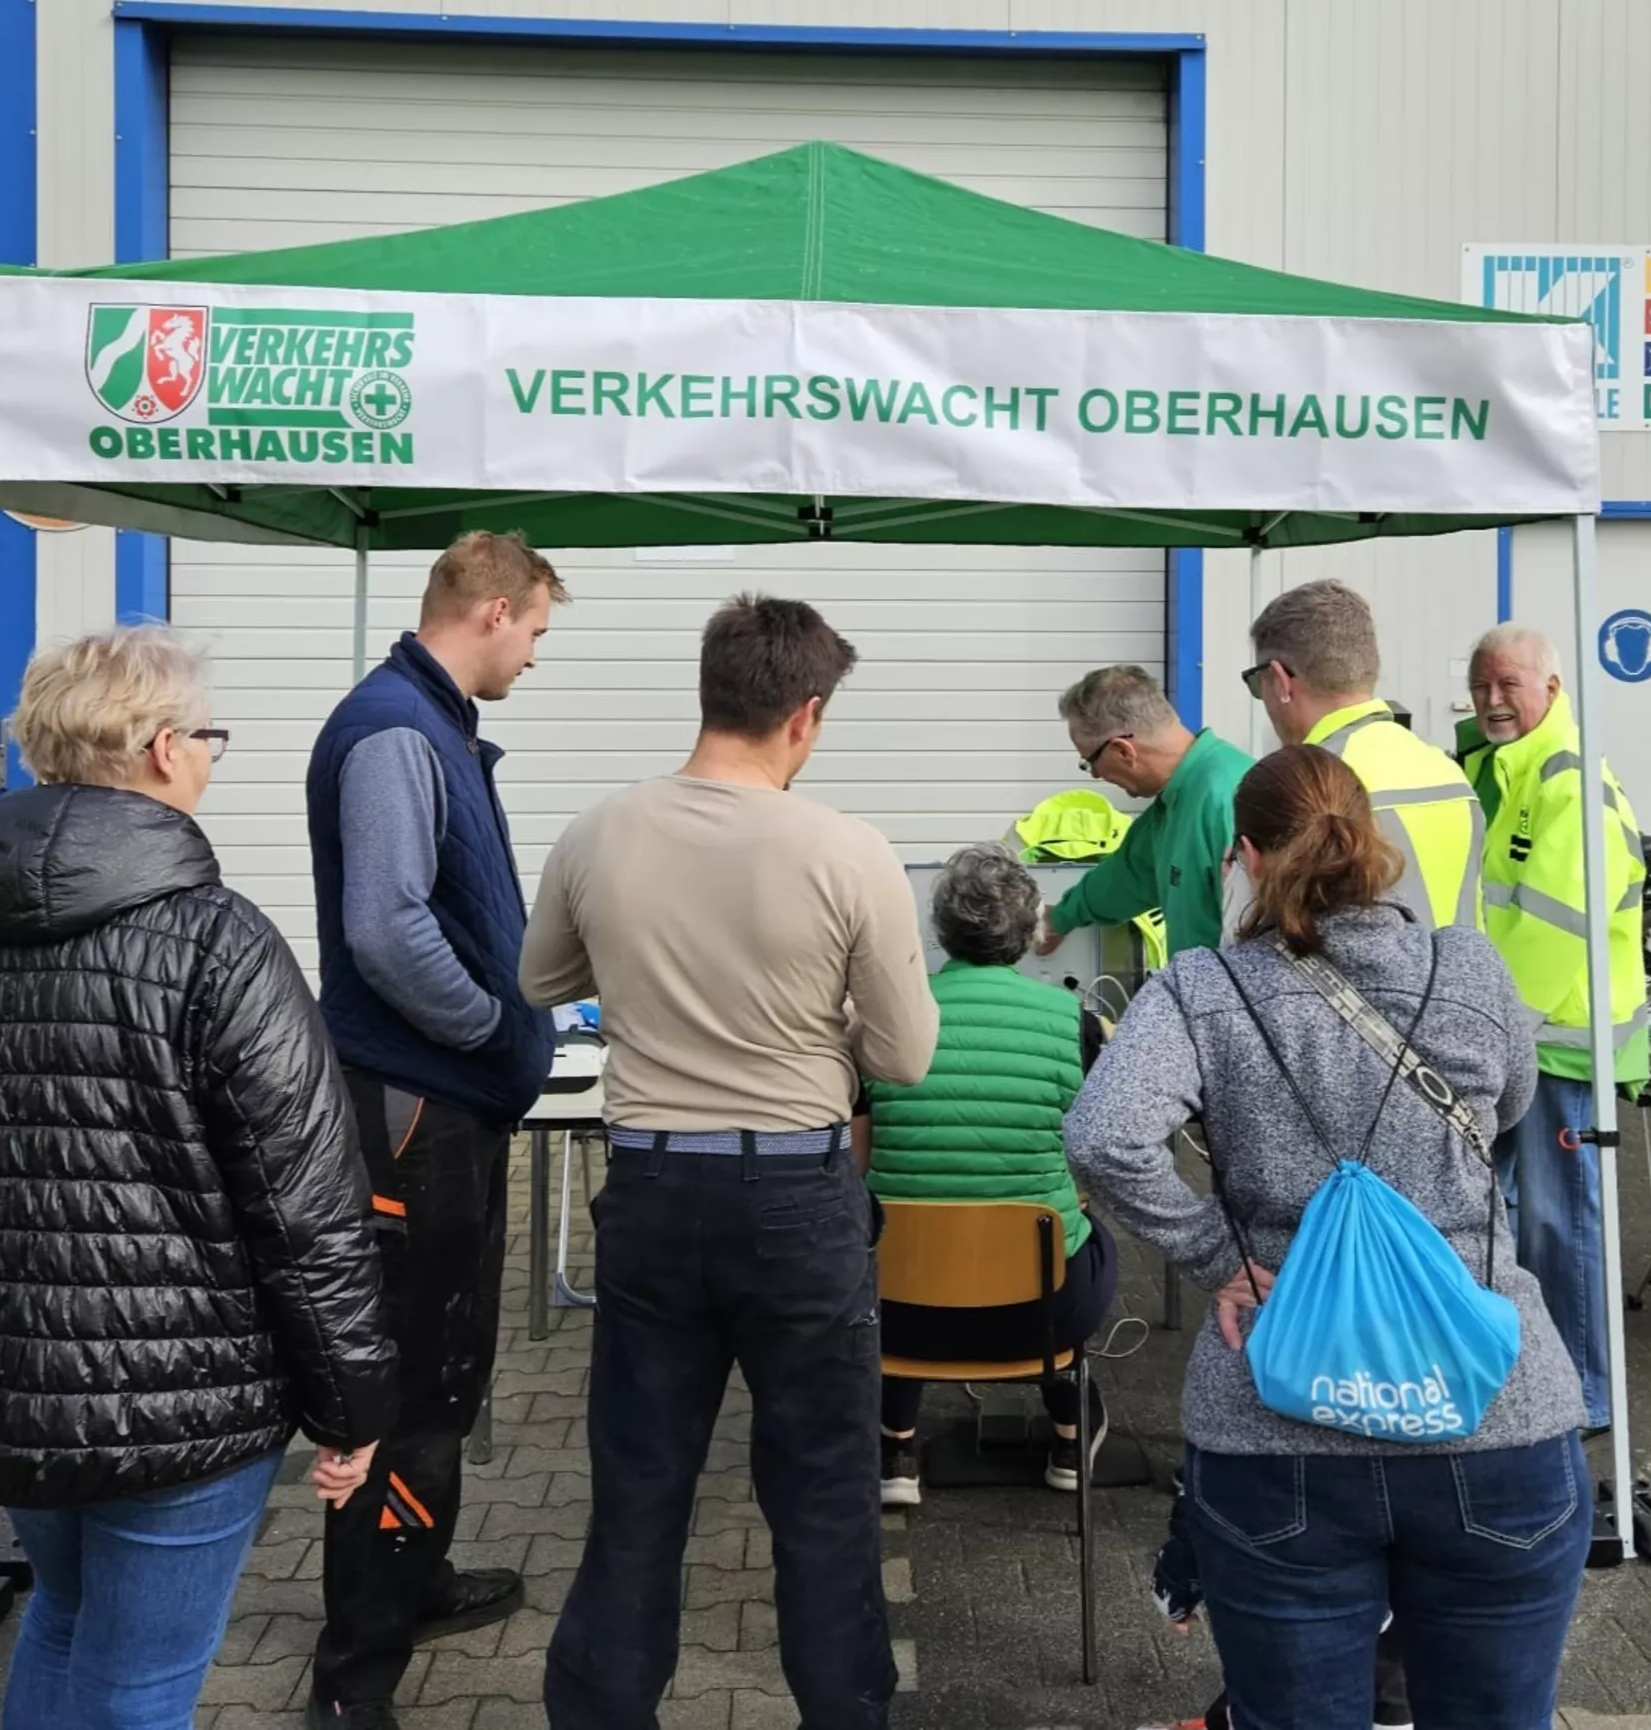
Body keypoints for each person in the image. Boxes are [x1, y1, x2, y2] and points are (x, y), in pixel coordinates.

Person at [0, 626, 396, 1730]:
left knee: (65, 1624)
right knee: (142, 1683)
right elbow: (306, 1211)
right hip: (181, 1396)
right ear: (163, 749)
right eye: (208, 736)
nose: (212, 755)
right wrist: (351, 1405)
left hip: (6, 1382)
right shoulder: (219, 942)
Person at [1064, 743, 1592, 1730]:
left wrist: (1216, 1258)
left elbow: (1101, 1133)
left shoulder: (1200, 986)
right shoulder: (1469, 964)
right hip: (1492, 1415)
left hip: (1276, 1419)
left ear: (1246, 859)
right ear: (1371, 842)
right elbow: (1510, 1105)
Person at [522, 593, 940, 1730]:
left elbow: (539, 981)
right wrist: (820, 1022)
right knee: (821, 1492)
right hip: (799, 1195)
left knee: (640, 1486)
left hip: (652, 1187)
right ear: (804, 715)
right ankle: (844, 1712)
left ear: (709, 692)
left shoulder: (599, 830)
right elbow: (904, 1053)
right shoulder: (847, 850)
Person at [304, 530, 566, 1728]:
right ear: (494, 609)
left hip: (444, 1102)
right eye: (536, 634)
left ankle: (418, 1584)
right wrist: (490, 1025)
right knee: (401, 1389)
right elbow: (386, 930)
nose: (535, 656)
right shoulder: (395, 731)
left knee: (446, 1371)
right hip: (411, 1107)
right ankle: (355, 1678)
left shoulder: (434, 722)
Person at [859, 844, 1119, 1506]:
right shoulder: (1072, 1021)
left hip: (900, 1314)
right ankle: (1068, 1433)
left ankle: (895, 1449)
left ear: (940, 932)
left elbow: (858, 1165)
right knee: (1083, 1236)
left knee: (898, 1222)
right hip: (1038, 1316)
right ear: (1032, 931)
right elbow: (1097, 1150)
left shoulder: (883, 1020)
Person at [1463, 623, 1648, 1433]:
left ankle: (1581, 1397)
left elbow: (1555, 928)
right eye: (1481, 687)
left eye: (1509, 685)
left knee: (1557, 1221)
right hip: (1520, 1038)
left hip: (1557, 1045)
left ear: (1553, 688)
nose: (1494, 701)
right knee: (1496, 1211)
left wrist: (1491, 1033)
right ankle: (1524, 1371)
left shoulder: (1566, 780)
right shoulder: (1508, 770)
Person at [1245, 579, 1483, 931]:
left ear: (1280, 681)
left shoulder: (1305, 789)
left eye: (1256, 683)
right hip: (1456, 983)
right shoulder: (1448, 772)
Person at [1038, 664, 1252, 960]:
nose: (1096, 776)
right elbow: (1126, 879)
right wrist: (1060, 918)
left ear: (1124, 751)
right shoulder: (1174, 804)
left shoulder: (1231, 796)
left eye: (1090, 762)